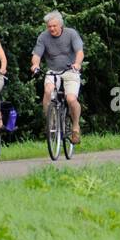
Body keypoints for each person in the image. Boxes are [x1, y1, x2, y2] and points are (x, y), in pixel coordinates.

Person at [30, 10, 85, 144]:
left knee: (71, 99)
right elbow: (36, 55)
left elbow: (79, 52)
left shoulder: (71, 34)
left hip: (70, 70)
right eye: (49, 26)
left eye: (54, 26)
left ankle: (76, 126)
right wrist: (35, 65)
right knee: (48, 91)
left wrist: (77, 64)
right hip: (53, 71)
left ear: (61, 25)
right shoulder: (43, 37)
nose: (51, 29)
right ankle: (50, 121)